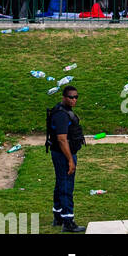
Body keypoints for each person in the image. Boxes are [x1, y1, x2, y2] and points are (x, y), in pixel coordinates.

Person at [46, 84, 85, 233]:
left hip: (60, 153)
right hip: (63, 155)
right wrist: (70, 160)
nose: (74, 100)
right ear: (64, 97)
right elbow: (62, 139)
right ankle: (68, 221)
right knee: (66, 186)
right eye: (71, 97)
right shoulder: (62, 115)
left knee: (61, 183)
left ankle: (58, 215)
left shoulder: (62, 110)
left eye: (76, 97)